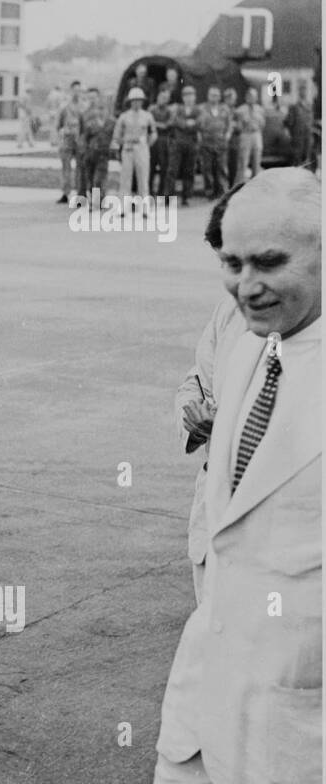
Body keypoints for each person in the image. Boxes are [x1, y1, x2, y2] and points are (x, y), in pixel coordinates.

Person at [144, 168, 322, 784]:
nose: (247, 284)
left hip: (304, 740)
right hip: (201, 709)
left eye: (270, 263)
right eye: (232, 262)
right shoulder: (246, 335)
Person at [174, 196, 245, 606]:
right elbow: (196, 382)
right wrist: (192, 418)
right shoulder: (228, 312)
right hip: (213, 502)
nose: (237, 283)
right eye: (227, 264)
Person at [112, 87, 157, 202]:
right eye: (134, 100)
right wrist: (124, 142)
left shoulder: (147, 116)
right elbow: (116, 134)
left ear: (142, 101)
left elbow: (153, 132)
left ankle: (145, 206)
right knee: (125, 178)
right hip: (128, 148)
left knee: (143, 178)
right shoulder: (124, 116)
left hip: (142, 148)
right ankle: (123, 205)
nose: (137, 103)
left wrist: (149, 142)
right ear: (130, 102)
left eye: (139, 100)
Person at [76, 89, 115, 203]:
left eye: (103, 109)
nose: (101, 111)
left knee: (99, 178)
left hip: (103, 155)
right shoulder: (90, 122)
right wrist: (83, 150)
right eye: (99, 109)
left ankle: (99, 200)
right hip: (90, 154)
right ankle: (92, 198)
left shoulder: (111, 123)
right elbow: (83, 137)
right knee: (90, 178)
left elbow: (116, 137)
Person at [168, 85, 203, 206]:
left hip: (192, 144)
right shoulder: (178, 109)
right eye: (186, 95)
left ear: (194, 97)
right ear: (183, 97)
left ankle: (186, 197)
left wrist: (186, 124)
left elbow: (199, 123)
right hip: (178, 143)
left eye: (191, 95)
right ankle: (169, 197)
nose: (189, 98)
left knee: (189, 171)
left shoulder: (198, 110)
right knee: (173, 170)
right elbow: (174, 121)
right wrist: (187, 124)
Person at [197, 87, 233, 200]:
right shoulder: (202, 108)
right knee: (207, 168)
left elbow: (230, 124)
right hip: (207, 141)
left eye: (216, 95)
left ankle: (222, 192)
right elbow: (198, 125)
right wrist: (199, 138)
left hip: (221, 141)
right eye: (212, 95)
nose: (214, 97)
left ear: (220, 97)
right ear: (208, 96)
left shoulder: (225, 108)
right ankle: (209, 192)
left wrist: (227, 135)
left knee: (221, 168)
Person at [54, 82, 85, 204]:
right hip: (67, 139)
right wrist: (62, 134)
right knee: (66, 167)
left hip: (79, 139)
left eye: (79, 90)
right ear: (71, 91)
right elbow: (58, 124)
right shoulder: (64, 106)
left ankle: (79, 193)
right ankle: (65, 193)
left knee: (80, 168)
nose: (76, 93)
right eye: (74, 90)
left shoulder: (84, 106)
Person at [234, 88, 265, 183]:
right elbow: (237, 127)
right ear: (246, 97)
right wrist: (243, 122)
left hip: (256, 134)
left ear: (256, 98)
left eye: (253, 96)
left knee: (257, 161)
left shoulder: (260, 109)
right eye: (249, 96)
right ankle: (239, 185)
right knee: (243, 161)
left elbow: (263, 124)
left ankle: (255, 185)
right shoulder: (240, 110)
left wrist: (257, 124)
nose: (251, 98)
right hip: (245, 134)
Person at [149, 87, 175, 197]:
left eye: (165, 98)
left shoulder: (169, 111)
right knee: (150, 167)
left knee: (164, 167)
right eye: (161, 97)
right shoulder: (151, 109)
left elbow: (169, 124)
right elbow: (149, 123)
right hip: (152, 141)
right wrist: (159, 125)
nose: (162, 100)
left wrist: (157, 124)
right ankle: (149, 192)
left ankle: (161, 193)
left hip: (164, 141)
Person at [223, 88, 242, 190]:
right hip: (221, 143)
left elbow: (240, 127)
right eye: (228, 98)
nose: (231, 101)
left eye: (232, 98)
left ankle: (231, 188)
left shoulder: (236, 112)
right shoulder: (221, 110)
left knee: (233, 167)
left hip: (233, 143)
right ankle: (221, 189)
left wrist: (233, 126)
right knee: (221, 167)